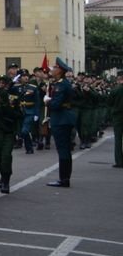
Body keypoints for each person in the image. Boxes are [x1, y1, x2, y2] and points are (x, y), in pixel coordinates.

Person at [45, 57, 76, 187]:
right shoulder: (59, 83)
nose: (52, 69)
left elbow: (56, 104)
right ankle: (64, 178)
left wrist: (47, 101)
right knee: (64, 150)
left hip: (61, 119)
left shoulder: (61, 85)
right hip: (63, 118)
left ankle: (64, 180)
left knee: (63, 150)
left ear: (60, 71)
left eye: (55, 67)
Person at [108, 72, 123, 168]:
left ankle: (119, 161)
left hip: (118, 116)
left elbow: (109, 103)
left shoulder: (115, 90)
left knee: (118, 140)